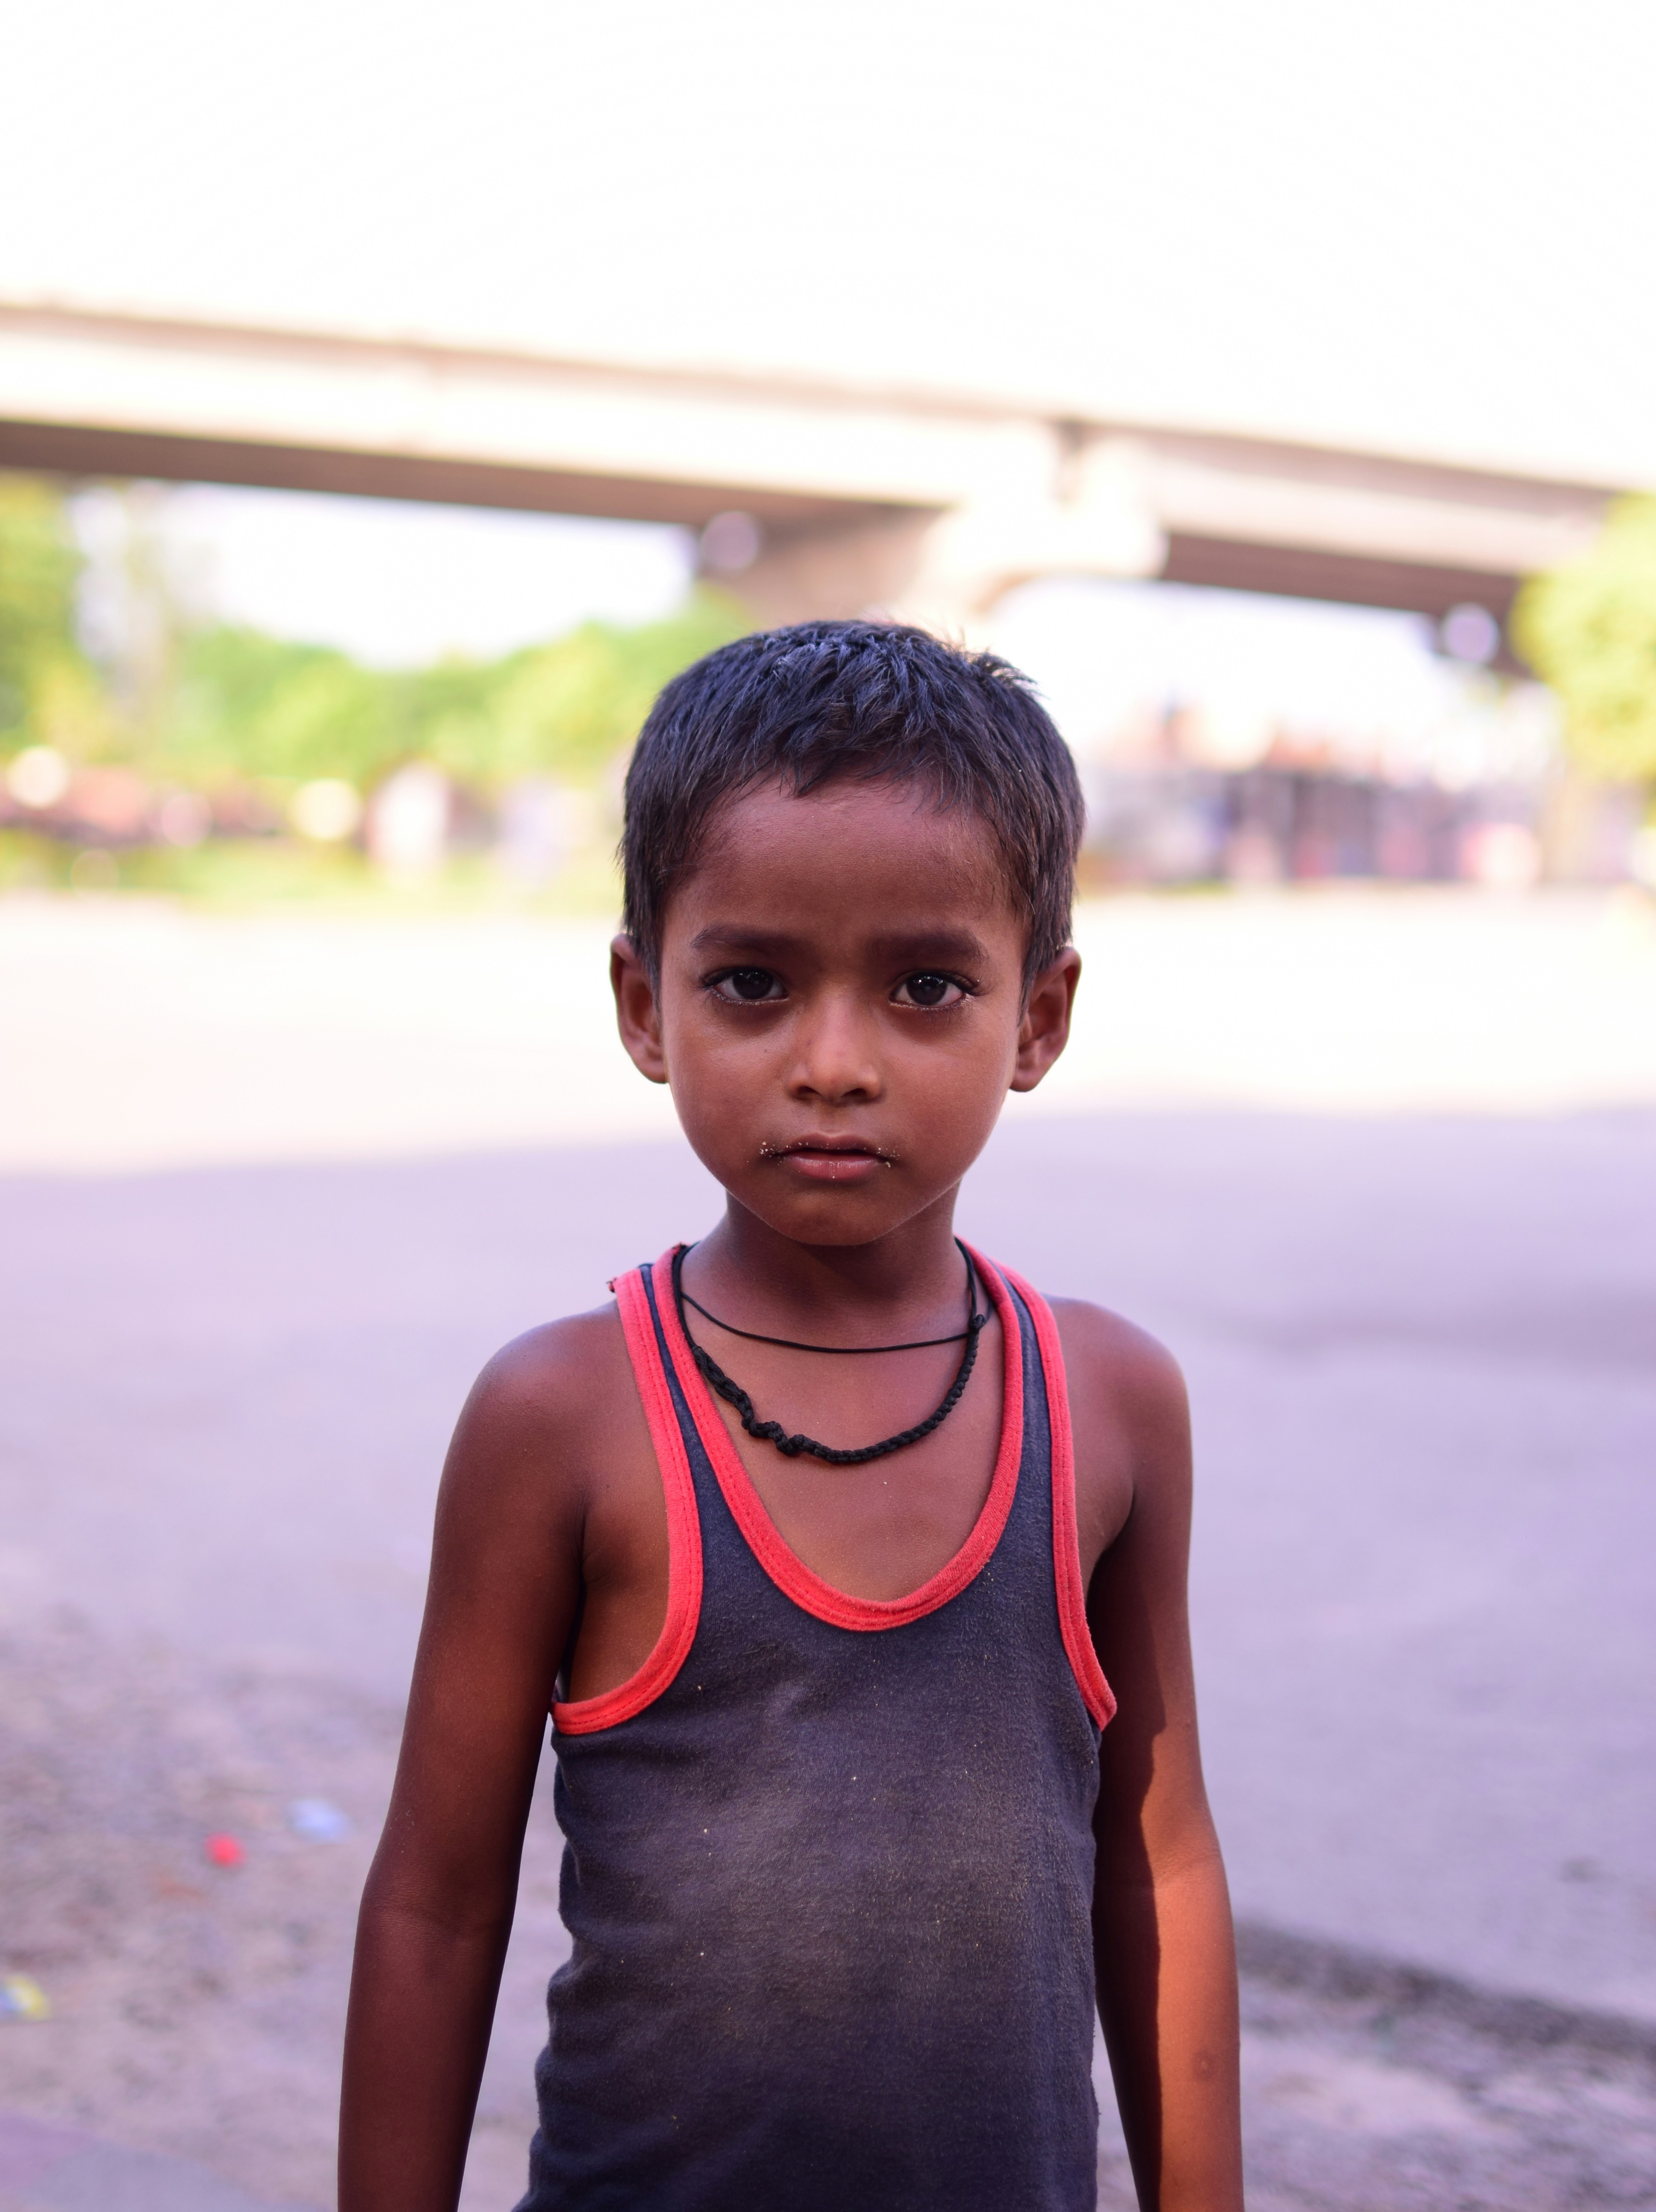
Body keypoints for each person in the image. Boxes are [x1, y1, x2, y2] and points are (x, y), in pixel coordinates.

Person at [339, 620, 1244, 2212]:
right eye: (753, 984)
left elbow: (1156, 1866)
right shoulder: (564, 1415)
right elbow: (435, 1901)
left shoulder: (1112, 1404)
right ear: (644, 1004)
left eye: (926, 987)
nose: (835, 1064)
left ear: (1037, 1018)